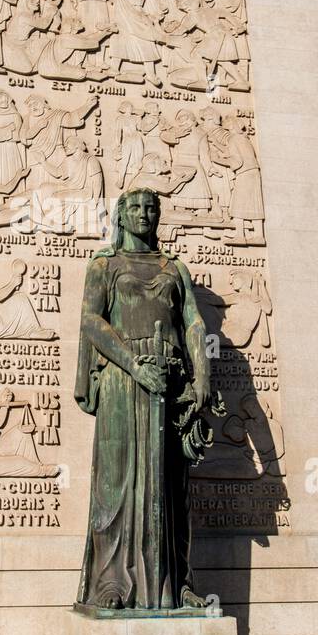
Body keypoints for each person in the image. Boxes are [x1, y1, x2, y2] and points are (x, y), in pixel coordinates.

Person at [74, 189, 215, 609]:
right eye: (135, 207)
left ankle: (176, 585)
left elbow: (193, 322)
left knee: (170, 485)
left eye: (151, 207)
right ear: (121, 214)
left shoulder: (175, 268)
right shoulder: (104, 265)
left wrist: (202, 375)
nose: (144, 214)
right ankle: (112, 584)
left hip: (171, 382)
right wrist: (134, 366)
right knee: (117, 483)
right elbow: (90, 321)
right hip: (124, 379)